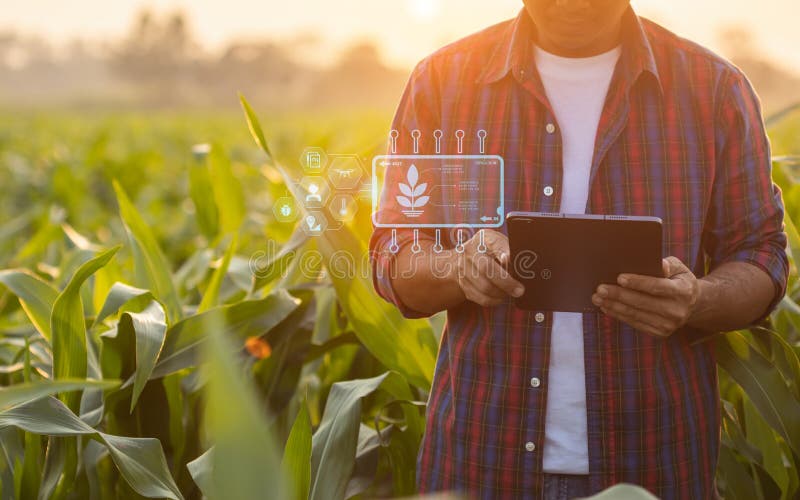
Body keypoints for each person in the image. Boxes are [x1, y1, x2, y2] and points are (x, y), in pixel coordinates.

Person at [369, 0, 790, 498]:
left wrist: (697, 298)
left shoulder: (713, 89)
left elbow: (761, 254)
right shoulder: (445, 82)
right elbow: (394, 251)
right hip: (481, 461)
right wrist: (456, 266)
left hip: (655, 465)